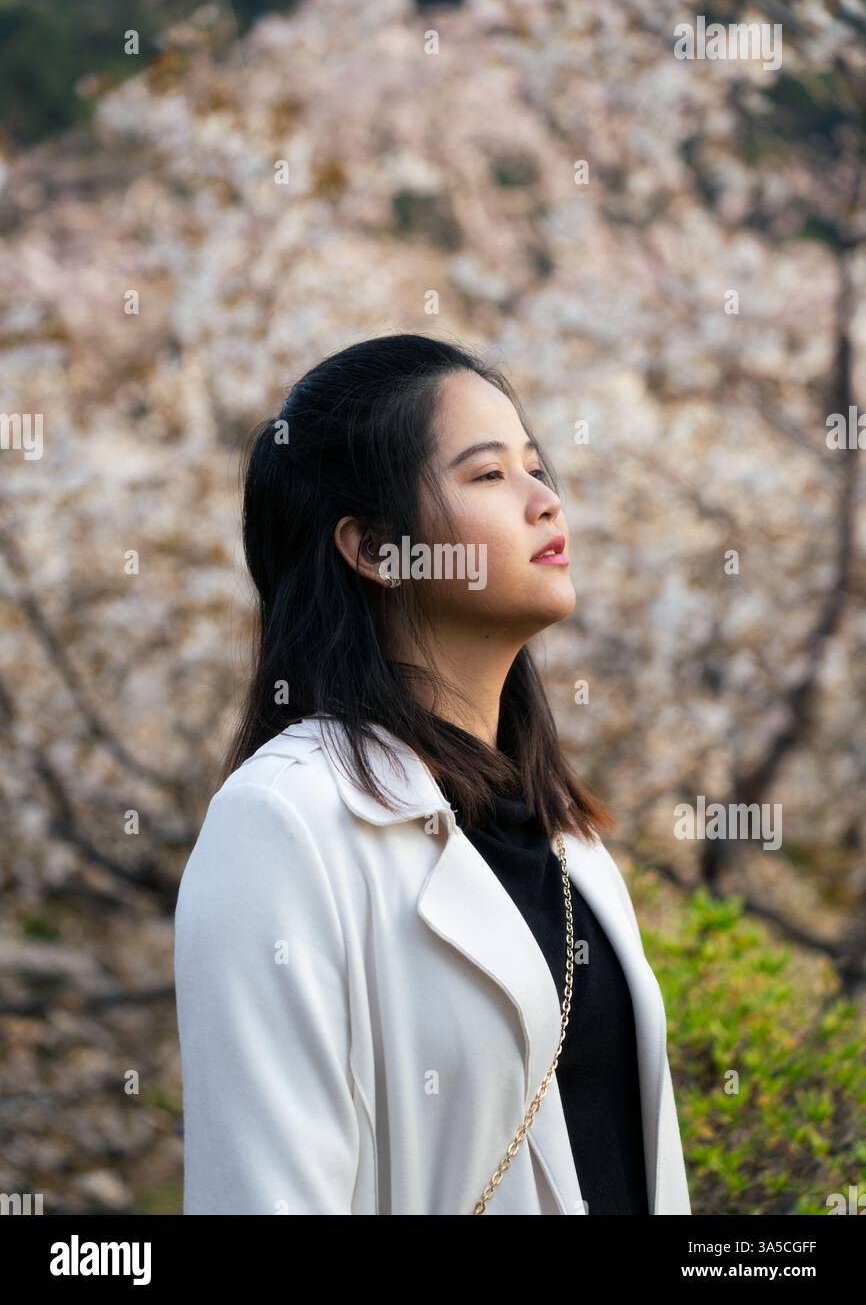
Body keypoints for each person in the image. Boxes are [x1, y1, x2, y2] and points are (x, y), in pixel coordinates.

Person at [173, 333, 691, 1216]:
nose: (545, 501)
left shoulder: (568, 841)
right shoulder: (284, 823)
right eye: (489, 476)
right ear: (377, 549)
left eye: (537, 465)